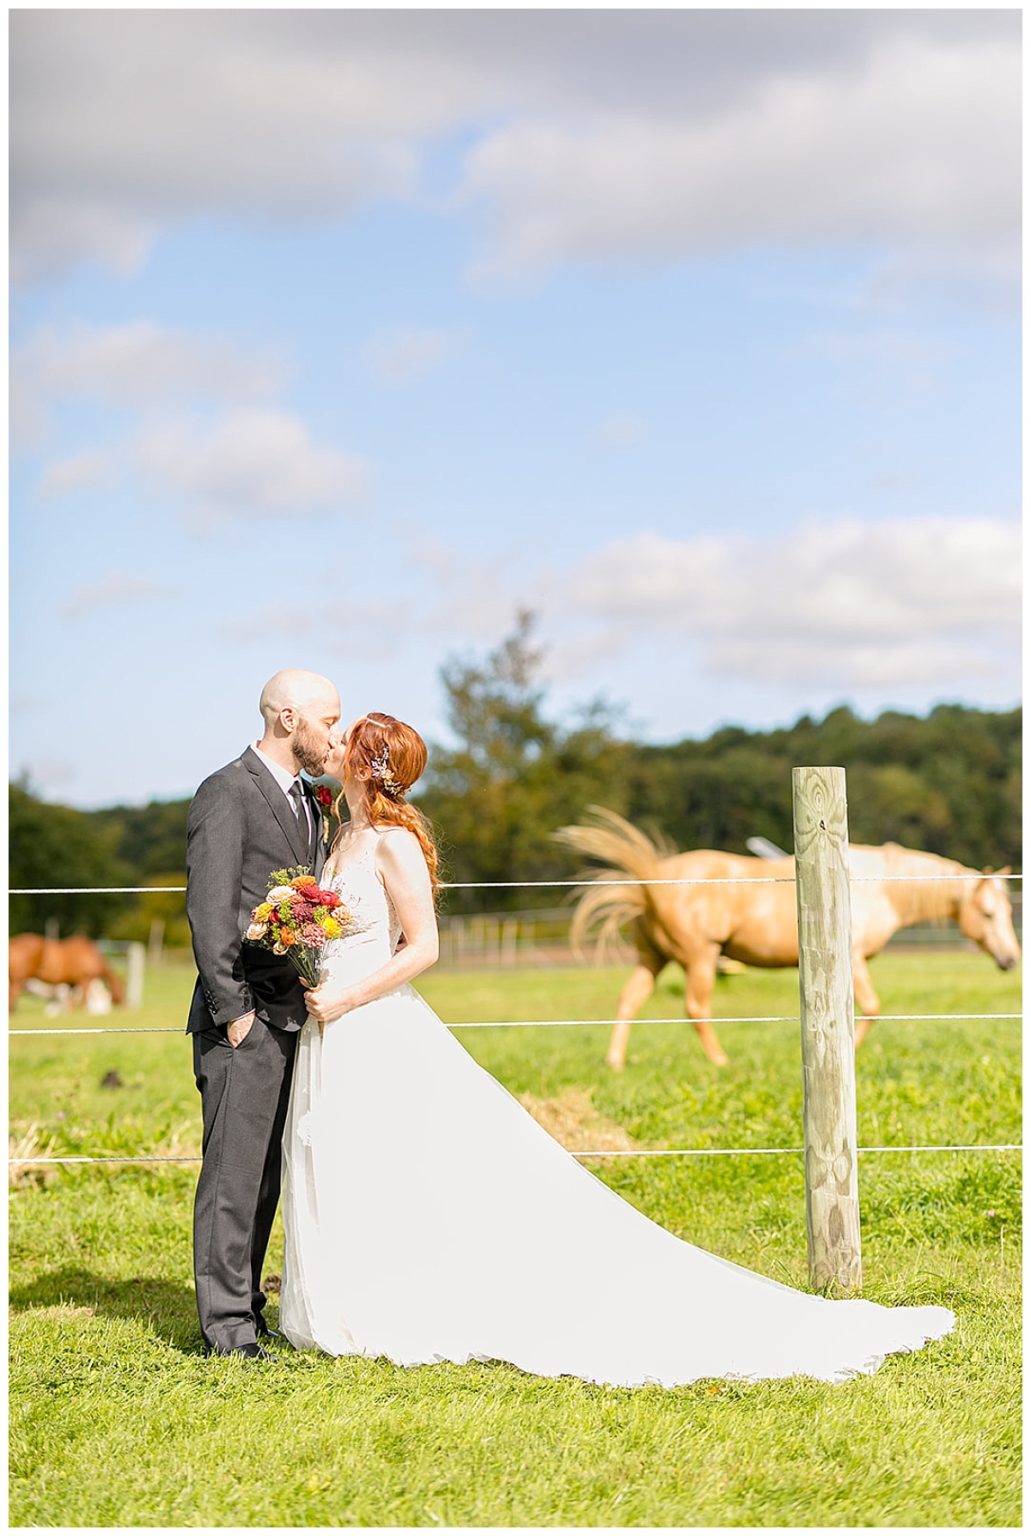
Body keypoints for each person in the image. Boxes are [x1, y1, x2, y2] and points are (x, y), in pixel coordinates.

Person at [280, 712, 956, 1386]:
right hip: (329, 1019)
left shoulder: (392, 843)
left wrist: (347, 997)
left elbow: (422, 947)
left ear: (365, 763)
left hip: (365, 1015)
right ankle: (361, 1288)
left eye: (344, 741)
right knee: (352, 1149)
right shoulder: (343, 835)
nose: (330, 746)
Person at [186, 668, 341, 1358]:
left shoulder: (312, 800)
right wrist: (232, 1011)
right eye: (327, 720)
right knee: (233, 1176)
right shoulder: (227, 791)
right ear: (287, 718)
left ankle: (247, 1310)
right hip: (244, 1019)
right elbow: (210, 908)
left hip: (291, 1016)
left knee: (266, 1176)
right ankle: (226, 1331)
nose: (334, 732)